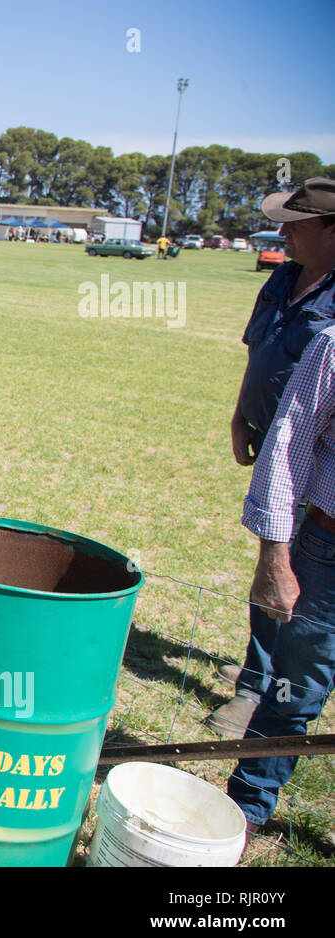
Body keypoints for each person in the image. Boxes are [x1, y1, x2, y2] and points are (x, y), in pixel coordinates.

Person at [211, 178, 335, 738]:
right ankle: (266, 673)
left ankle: (261, 689)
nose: (282, 232)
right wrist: (241, 414)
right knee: (274, 558)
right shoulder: (284, 277)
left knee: (290, 567)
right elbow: (257, 350)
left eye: (297, 223)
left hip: (314, 455)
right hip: (270, 438)